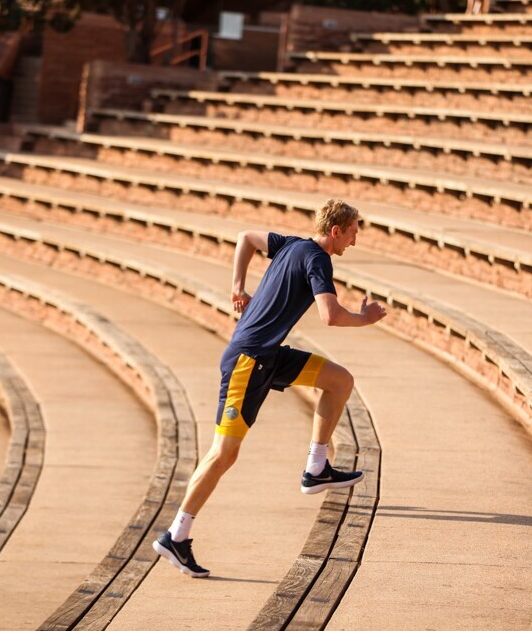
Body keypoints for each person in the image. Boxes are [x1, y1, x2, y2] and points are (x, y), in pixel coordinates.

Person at [153, 199, 387, 577]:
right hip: (248, 361)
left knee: (339, 381)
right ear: (336, 231)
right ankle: (175, 536)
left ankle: (317, 468)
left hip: (269, 355)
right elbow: (329, 315)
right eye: (353, 233)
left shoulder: (291, 244)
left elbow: (245, 237)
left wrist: (237, 288)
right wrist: (365, 318)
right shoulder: (318, 260)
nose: (354, 242)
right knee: (222, 455)